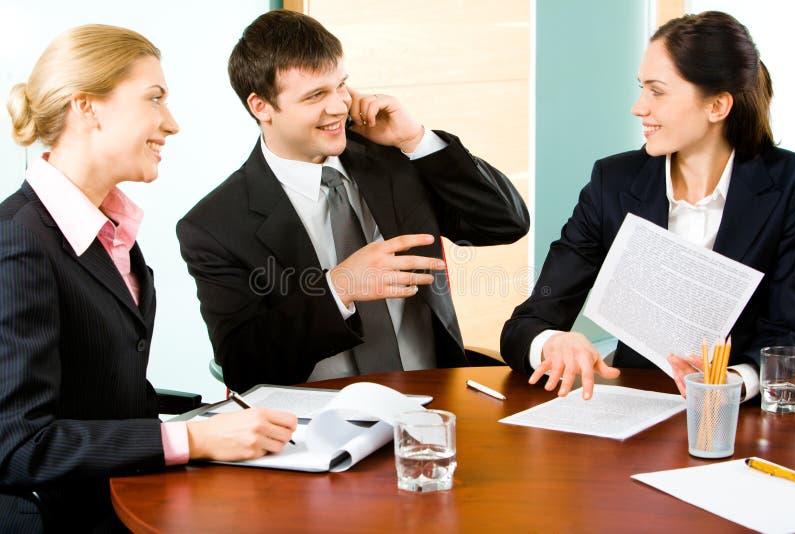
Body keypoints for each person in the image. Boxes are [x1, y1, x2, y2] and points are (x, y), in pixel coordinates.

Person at [0, 25, 297, 532]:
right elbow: (20, 445)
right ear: (87, 107)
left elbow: (98, 393)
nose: (172, 123)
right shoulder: (18, 242)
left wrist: (204, 416)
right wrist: (194, 440)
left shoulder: (110, 231)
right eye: (154, 99)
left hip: (121, 504)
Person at [177, 10, 529, 392]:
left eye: (340, 86)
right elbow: (243, 365)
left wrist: (416, 139)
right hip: (315, 431)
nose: (339, 107)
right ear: (261, 106)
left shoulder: (394, 159)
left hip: (433, 404)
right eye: (315, 96)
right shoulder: (214, 225)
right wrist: (339, 288)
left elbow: (505, 222)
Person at [501, 11, 795, 401]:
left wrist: (733, 383)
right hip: (637, 413)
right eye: (641, 89)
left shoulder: (790, 185)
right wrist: (551, 341)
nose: (639, 107)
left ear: (717, 106)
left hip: (745, 421)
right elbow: (527, 323)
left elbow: (790, 335)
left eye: (657, 91)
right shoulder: (613, 182)